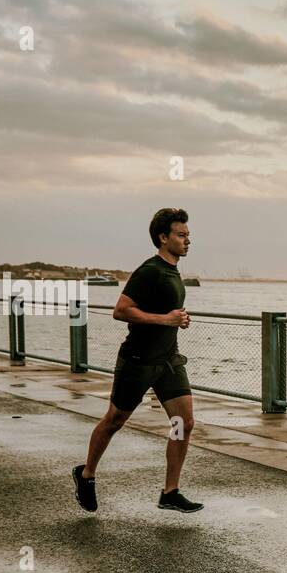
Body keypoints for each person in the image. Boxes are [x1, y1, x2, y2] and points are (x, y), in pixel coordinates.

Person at [72, 207, 203, 513]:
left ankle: (170, 492)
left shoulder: (173, 271)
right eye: (181, 235)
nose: (187, 240)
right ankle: (86, 474)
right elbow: (121, 310)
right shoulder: (150, 271)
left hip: (168, 361)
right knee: (114, 420)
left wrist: (178, 319)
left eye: (188, 235)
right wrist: (165, 319)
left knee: (183, 422)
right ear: (163, 237)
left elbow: (164, 312)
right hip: (138, 360)